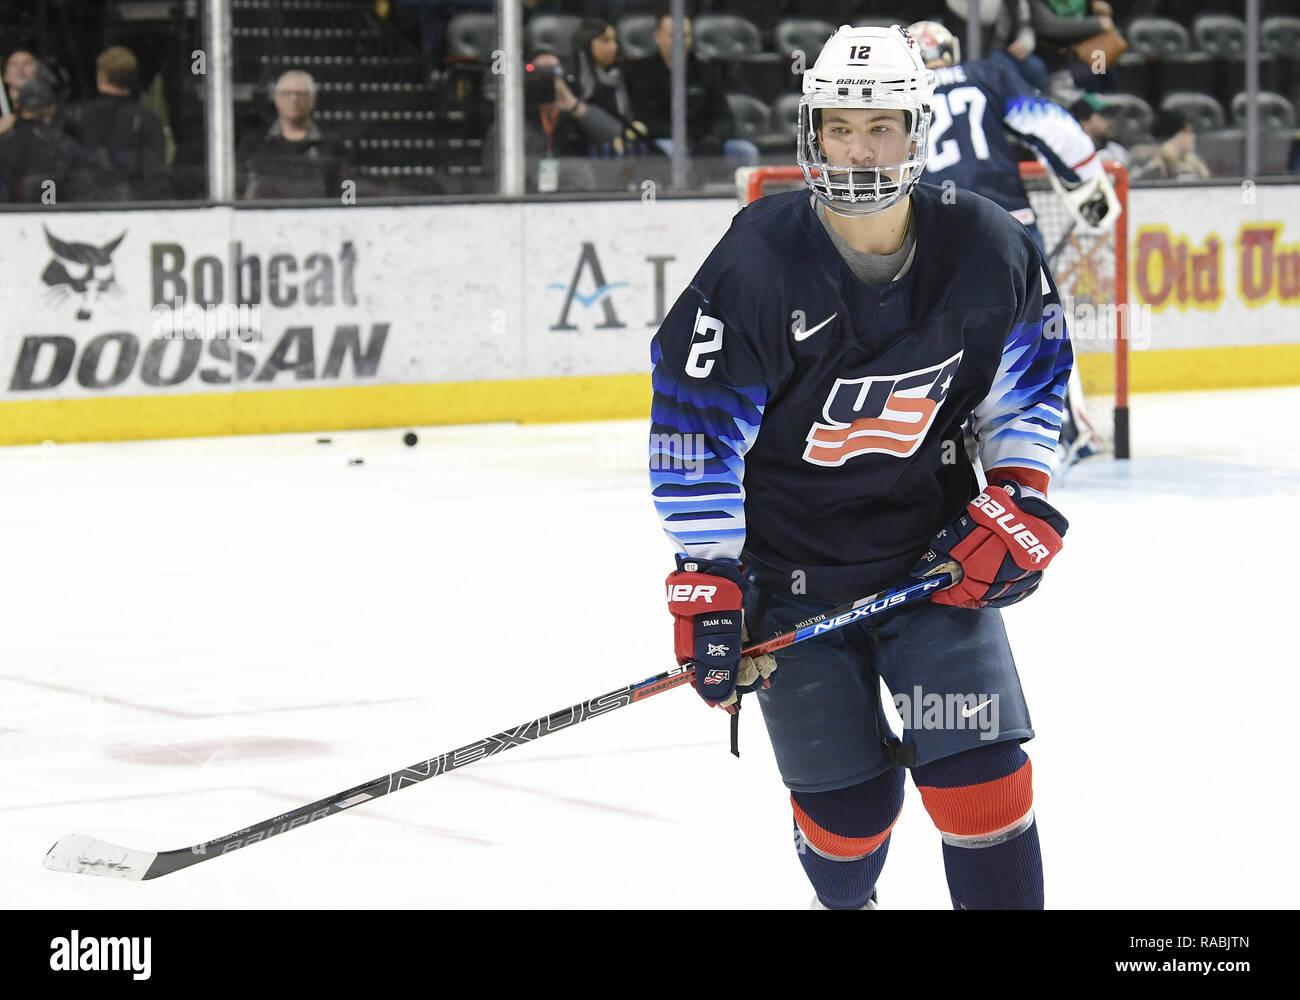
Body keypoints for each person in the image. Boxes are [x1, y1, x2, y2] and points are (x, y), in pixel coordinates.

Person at [651, 24, 1072, 910]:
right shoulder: (755, 262)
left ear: (919, 132)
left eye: (880, 127)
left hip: (934, 566)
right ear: (810, 133)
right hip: (789, 580)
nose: (858, 149)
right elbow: (694, 430)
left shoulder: (987, 245)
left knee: (982, 778)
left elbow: (1031, 384)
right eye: (839, 128)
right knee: (850, 813)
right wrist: (706, 579)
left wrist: (1022, 491)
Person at [910, 19, 1119, 468]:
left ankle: (942, 439)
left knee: (936, 334)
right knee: (1042, 328)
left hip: (933, 230)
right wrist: (1089, 190)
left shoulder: (900, 93)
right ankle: (1069, 432)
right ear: (950, 50)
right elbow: (1053, 127)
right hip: (1008, 224)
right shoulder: (987, 74)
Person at [622, 7, 758, 167]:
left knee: (746, 151)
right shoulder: (643, 73)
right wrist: (689, 138)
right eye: (673, 36)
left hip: (705, 139)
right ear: (658, 37)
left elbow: (723, 115)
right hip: (667, 140)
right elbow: (648, 122)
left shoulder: (704, 70)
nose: (680, 42)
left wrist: (714, 137)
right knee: (674, 151)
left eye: (685, 36)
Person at [482, 50, 624, 191]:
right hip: (529, 195)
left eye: (553, 74)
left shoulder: (572, 113)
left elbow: (613, 134)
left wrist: (574, 106)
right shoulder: (514, 119)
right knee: (577, 172)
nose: (547, 82)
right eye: (540, 74)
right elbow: (494, 165)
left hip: (574, 194)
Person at [60, 46, 168, 201]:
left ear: (101, 75)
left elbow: (59, 166)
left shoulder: (75, 115)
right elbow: (154, 172)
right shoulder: (147, 119)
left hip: (82, 203)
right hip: (131, 203)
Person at [236, 69, 346, 199]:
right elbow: (239, 190)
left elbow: (347, 191)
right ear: (276, 99)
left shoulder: (332, 145)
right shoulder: (254, 143)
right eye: (286, 94)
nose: (293, 99)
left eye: (301, 94)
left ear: (313, 100)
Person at [0, 65, 83, 203]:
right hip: (57, 213)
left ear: (17, 105)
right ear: (52, 108)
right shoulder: (65, 144)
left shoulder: (4, 142)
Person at [570, 18, 649, 155]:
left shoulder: (624, 74)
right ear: (587, 43)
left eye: (614, 41)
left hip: (628, 145)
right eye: (605, 41)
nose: (613, 47)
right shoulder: (574, 78)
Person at [1128, 109, 1210, 181]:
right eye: (1187, 132)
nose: (1193, 136)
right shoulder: (1142, 156)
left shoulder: (1192, 160)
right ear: (1173, 135)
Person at [1068, 91, 1129, 168]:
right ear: (1084, 121)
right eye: (1104, 115)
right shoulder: (1069, 154)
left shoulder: (1116, 151)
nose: (1109, 121)